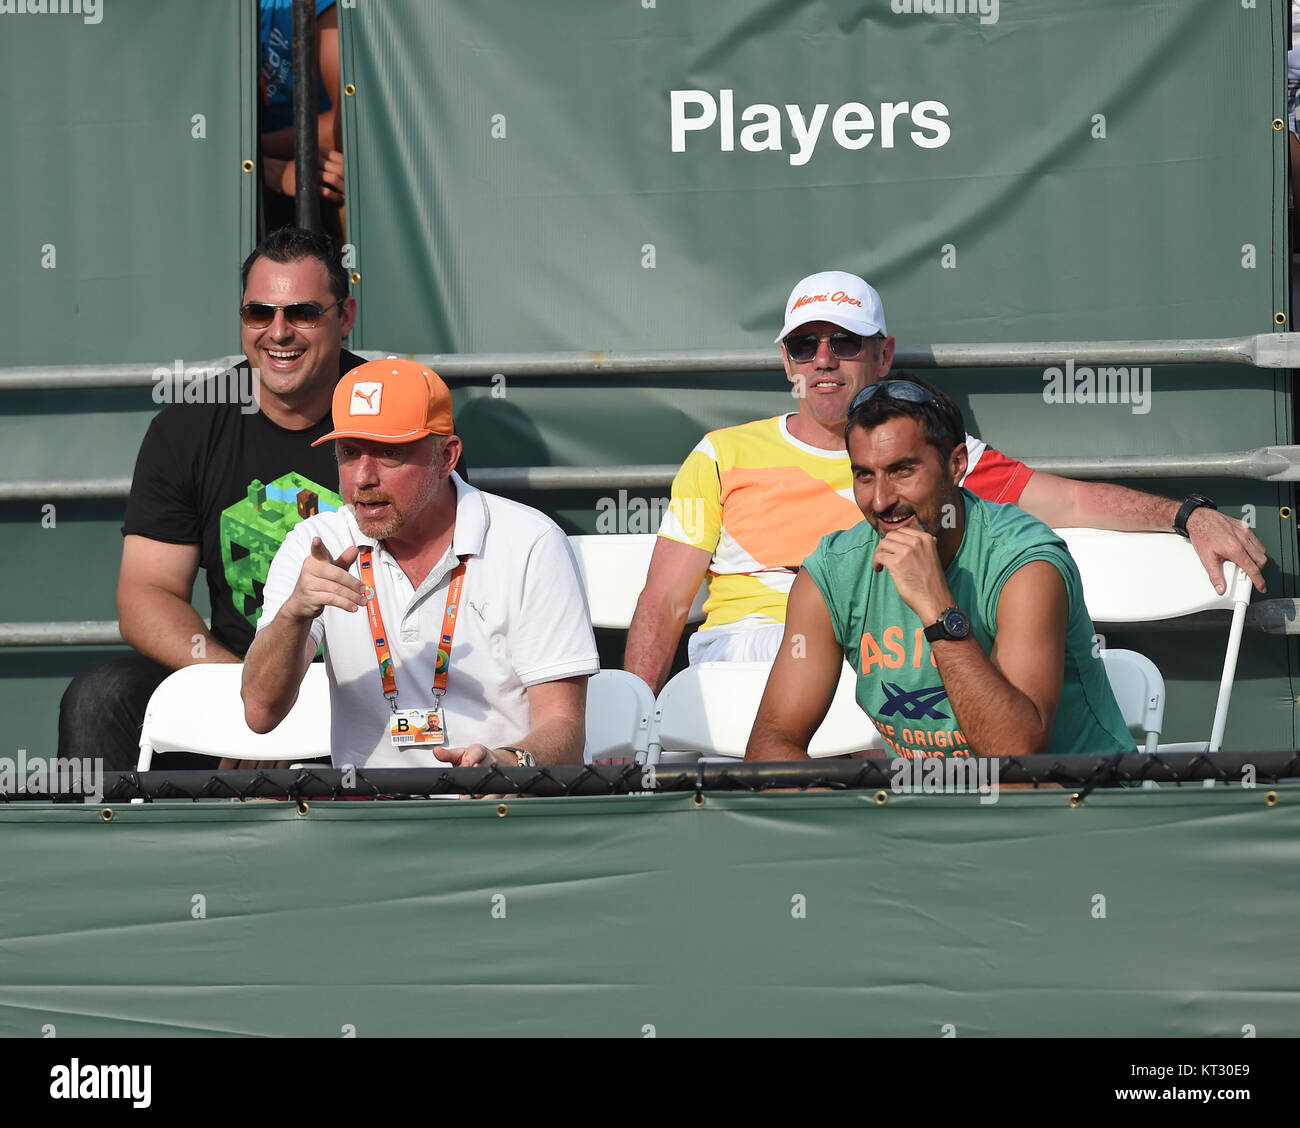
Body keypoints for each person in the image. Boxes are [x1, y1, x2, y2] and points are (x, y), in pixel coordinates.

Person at [624, 270, 1267, 694]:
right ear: (786, 362)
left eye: (844, 342)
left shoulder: (939, 451)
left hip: (890, 655)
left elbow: (1070, 500)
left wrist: (1189, 515)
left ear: (883, 353)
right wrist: (634, 731)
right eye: (805, 344)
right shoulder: (719, 454)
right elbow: (664, 601)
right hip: (752, 657)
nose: (823, 359)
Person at [58, 227, 365, 770]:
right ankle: (116, 858)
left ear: (344, 317)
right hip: (232, 670)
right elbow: (145, 595)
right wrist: (246, 697)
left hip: (366, 676)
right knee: (98, 699)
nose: (278, 332)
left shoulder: (393, 415)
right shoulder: (188, 428)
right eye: (258, 313)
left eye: (302, 313)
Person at [745, 374, 1132, 761]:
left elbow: (1014, 754)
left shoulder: (1025, 561)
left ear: (956, 465)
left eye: (902, 471)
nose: (880, 501)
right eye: (864, 475)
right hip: (928, 813)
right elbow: (770, 747)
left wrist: (938, 610)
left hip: (1078, 806)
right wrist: (849, 819)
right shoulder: (831, 572)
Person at [243, 359, 598, 770]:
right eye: (349, 453)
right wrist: (294, 613)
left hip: (495, 813)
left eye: (389, 453)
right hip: (367, 818)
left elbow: (565, 731)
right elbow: (260, 713)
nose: (363, 477)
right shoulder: (316, 543)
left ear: (446, 457)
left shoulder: (530, 542)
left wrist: (505, 765)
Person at [259, 0, 345, 234]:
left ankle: (358, 270)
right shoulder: (208, 18)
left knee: (341, 173)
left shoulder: (314, 6)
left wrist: (251, 150)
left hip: (320, 161)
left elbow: (345, 125)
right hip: (265, 171)